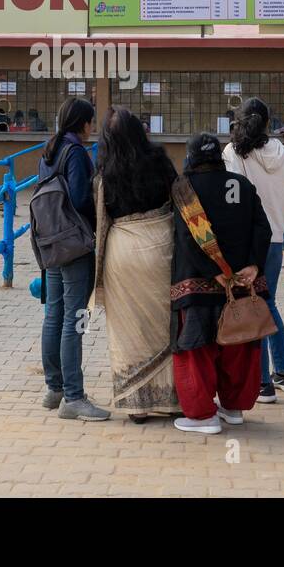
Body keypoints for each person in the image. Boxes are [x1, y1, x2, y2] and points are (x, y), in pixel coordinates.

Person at [170, 132, 273, 434]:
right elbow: (262, 227)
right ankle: (233, 408)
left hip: (200, 285)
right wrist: (254, 264)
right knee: (238, 346)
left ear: (191, 158)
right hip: (243, 283)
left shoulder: (184, 189)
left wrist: (211, 271)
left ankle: (203, 417)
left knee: (197, 349)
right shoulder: (241, 184)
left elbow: (186, 239)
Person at [93, 106, 181, 423]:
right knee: (164, 326)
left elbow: (99, 216)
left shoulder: (105, 171)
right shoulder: (160, 161)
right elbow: (182, 200)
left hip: (123, 253)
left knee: (128, 331)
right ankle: (173, 399)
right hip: (161, 249)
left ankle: (137, 405)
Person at [223, 97, 284, 402]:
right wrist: (282, 213)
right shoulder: (283, 152)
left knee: (254, 305)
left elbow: (232, 196)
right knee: (268, 302)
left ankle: (262, 382)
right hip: (275, 237)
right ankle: (283, 373)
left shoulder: (233, 151)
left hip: (247, 239)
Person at [37, 97, 109, 422]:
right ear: (82, 123)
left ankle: (54, 388)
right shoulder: (76, 153)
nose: (92, 128)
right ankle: (74, 398)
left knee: (54, 313)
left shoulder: (49, 151)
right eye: (90, 122)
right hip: (74, 245)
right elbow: (80, 198)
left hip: (50, 242)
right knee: (75, 318)